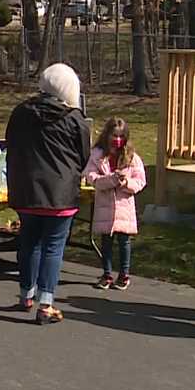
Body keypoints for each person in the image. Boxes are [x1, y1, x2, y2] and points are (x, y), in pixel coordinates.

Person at [5, 63, 91, 325]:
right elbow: (84, 155)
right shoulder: (74, 118)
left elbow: (9, 142)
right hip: (60, 193)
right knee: (53, 246)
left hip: (26, 189)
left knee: (29, 242)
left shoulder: (20, 112)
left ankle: (25, 295)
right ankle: (46, 304)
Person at [83, 117, 147, 291]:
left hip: (123, 205)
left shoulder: (131, 157)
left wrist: (126, 184)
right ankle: (107, 274)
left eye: (121, 136)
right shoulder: (97, 155)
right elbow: (91, 177)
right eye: (114, 135)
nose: (117, 140)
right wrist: (110, 180)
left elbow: (140, 181)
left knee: (124, 241)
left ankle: (124, 274)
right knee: (106, 240)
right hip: (105, 204)